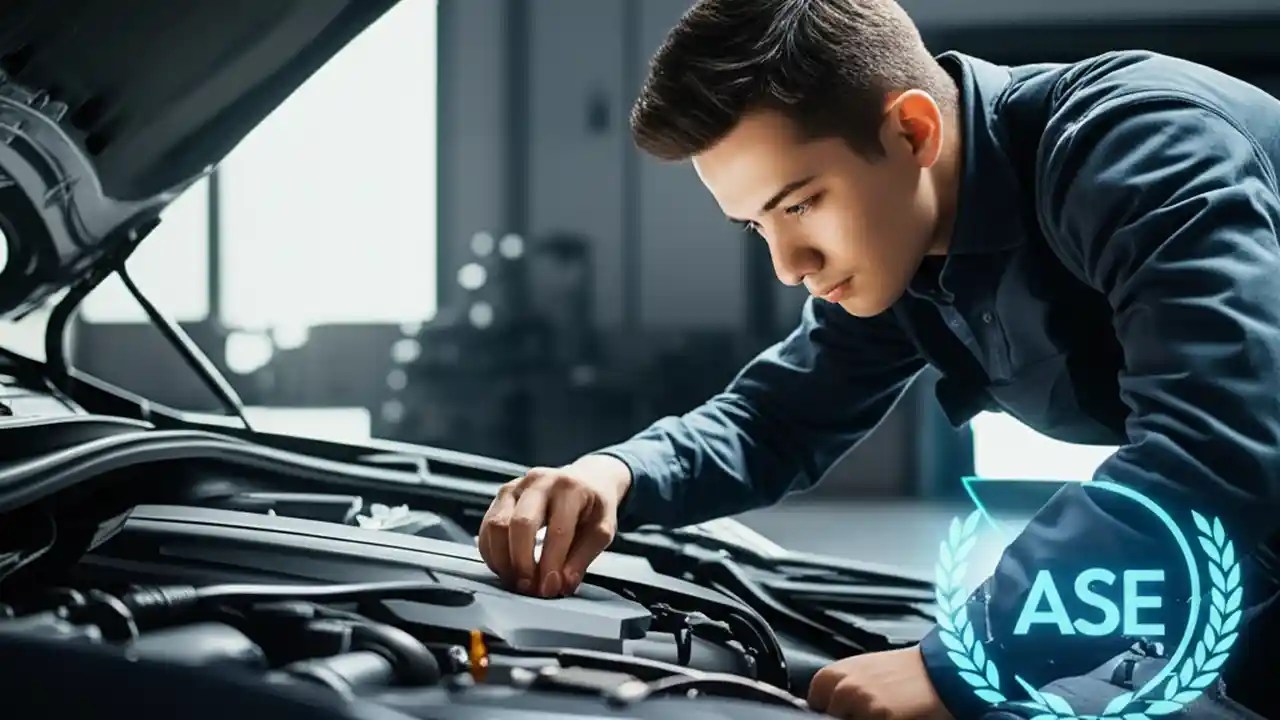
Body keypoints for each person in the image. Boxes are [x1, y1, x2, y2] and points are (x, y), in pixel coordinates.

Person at [476, 0, 1280, 717]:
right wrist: (616, 475)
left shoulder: (1142, 144)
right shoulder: (910, 249)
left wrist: (969, 660)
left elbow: (1213, 449)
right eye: (756, 225)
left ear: (913, 131)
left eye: (799, 203)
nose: (788, 263)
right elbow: (776, 417)